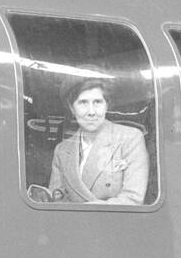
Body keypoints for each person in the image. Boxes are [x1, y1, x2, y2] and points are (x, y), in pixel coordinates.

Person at [43, 73, 149, 204]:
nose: (91, 111)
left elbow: (133, 199)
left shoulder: (130, 138)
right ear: (72, 108)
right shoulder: (62, 150)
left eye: (97, 102)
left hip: (117, 223)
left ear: (106, 105)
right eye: (83, 103)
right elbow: (56, 202)